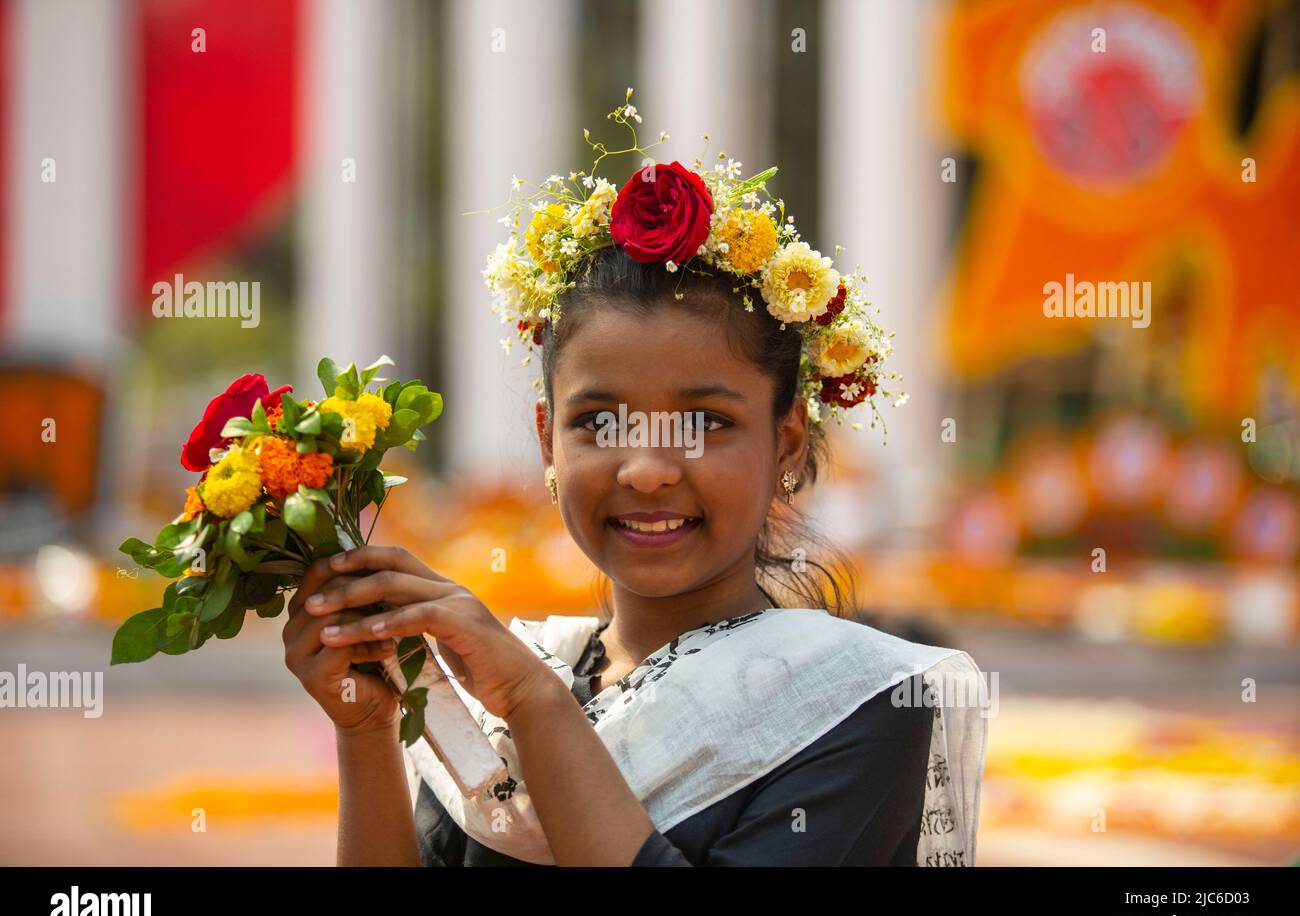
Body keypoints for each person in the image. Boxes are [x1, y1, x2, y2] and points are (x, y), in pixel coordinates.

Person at [280, 99, 987, 866]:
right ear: (549, 439)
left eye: (706, 423)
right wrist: (368, 732)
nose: (648, 469)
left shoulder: (858, 701)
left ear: (786, 442)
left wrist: (535, 706)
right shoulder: (512, 684)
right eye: (601, 424)